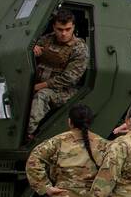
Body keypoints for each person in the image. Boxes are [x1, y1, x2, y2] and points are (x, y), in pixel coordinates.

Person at [27, 9, 89, 138]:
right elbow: (28, 47)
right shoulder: (46, 39)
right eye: (60, 29)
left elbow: (69, 79)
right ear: (54, 27)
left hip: (64, 91)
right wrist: (32, 48)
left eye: (68, 29)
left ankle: (27, 134)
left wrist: (40, 86)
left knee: (41, 96)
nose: (64, 33)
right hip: (37, 83)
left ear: (73, 27)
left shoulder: (79, 48)